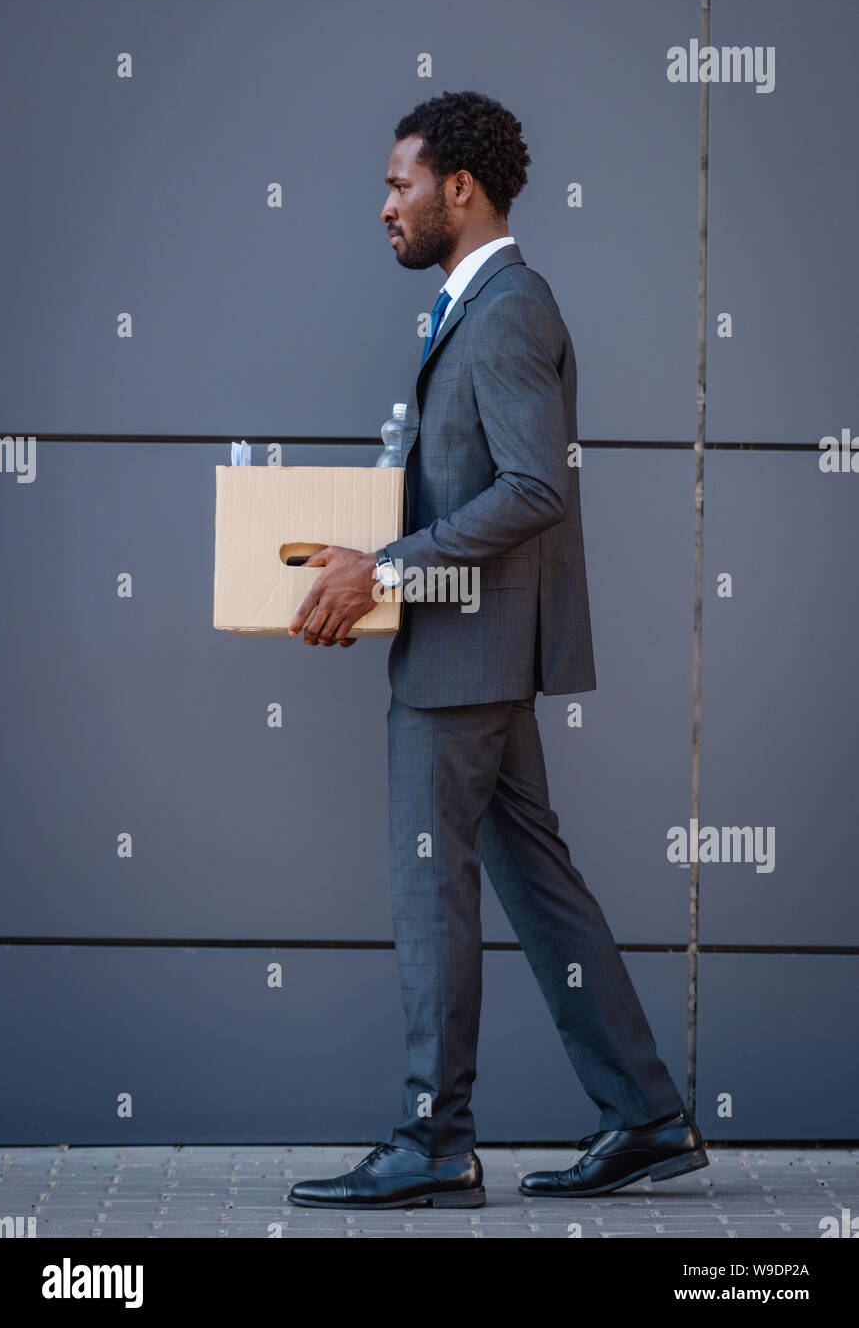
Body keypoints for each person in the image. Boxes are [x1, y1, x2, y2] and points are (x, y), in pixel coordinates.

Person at [286, 90, 707, 1208]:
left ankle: (436, 1139)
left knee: (431, 894)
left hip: (461, 654)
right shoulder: (474, 305)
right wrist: (374, 543)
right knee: (543, 887)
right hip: (478, 650)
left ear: (457, 188)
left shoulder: (509, 307)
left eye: (397, 183)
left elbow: (534, 487)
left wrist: (384, 568)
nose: (385, 206)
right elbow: (471, 481)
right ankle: (648, 1114)